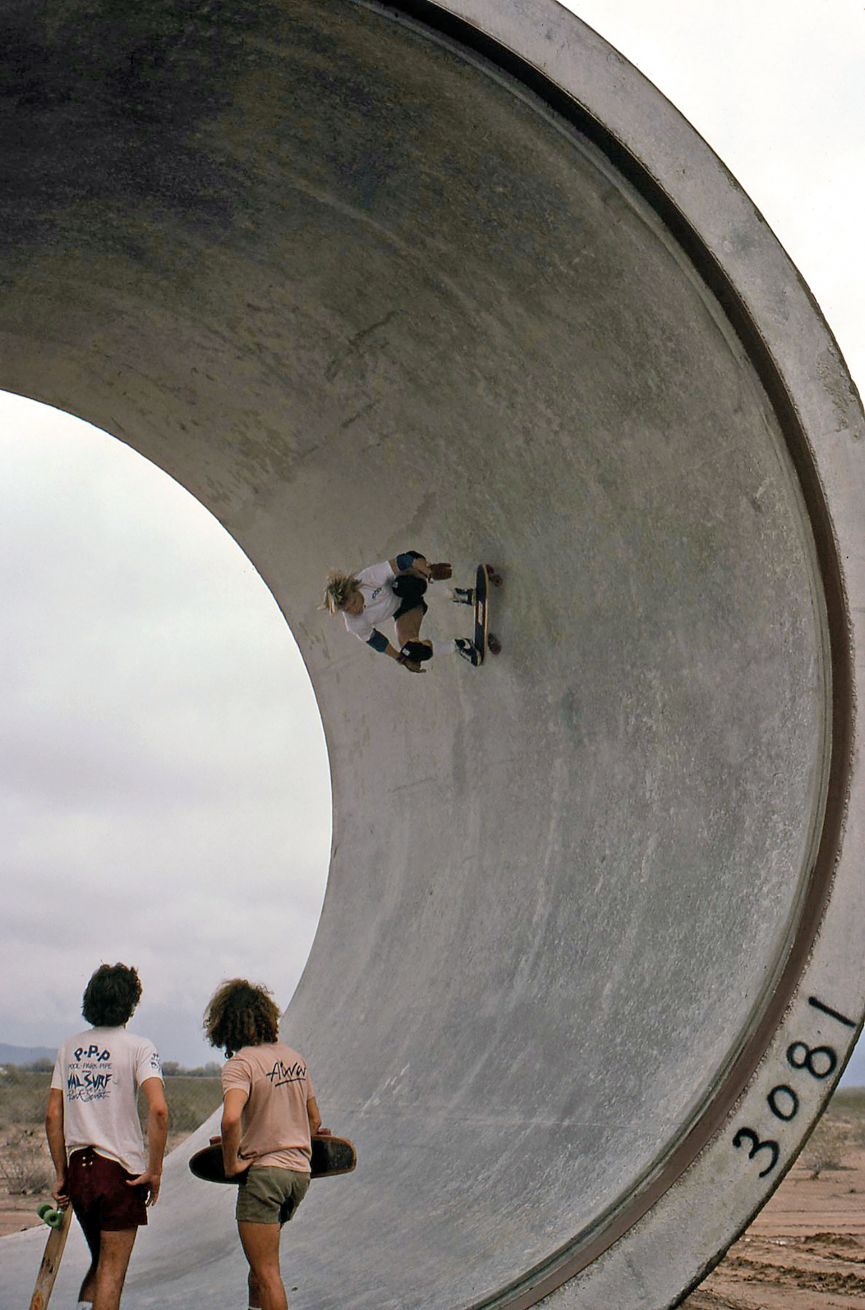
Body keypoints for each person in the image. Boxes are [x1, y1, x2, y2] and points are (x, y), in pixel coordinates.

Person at [44, 962, 168, 1310]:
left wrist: (60, 1173)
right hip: (118, 1174)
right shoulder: (139, 1047)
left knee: (99, 1262)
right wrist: (155, 1170)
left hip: (79, 1173)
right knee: (112, 1274)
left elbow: (53, 1113)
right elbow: (158, 1109)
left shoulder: (69, 1048)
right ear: (130, 1003)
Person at [204, 979, 327, 1310]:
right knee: (258, 1270)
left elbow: (230, 1119)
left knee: (268, 1273)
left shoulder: (241, 1064)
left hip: (264, 1179)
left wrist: (232, 1161)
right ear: (265, 1017)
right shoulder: (295, 1059)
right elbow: (314, 1121)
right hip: (298, 1175)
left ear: (226, 1023)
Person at [323, 550, 481, 669]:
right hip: (404, 609)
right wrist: (401, 659)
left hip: (409, 579)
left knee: (401, 586)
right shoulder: (353, 624)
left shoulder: (368, 578)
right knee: (410, 652)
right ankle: (459, 645)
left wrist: (429, 572)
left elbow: (404, 560)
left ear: (355, 589)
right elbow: (376, 641)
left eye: (354, 602)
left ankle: (455, 594)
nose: (355, 610)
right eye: (348, 610)